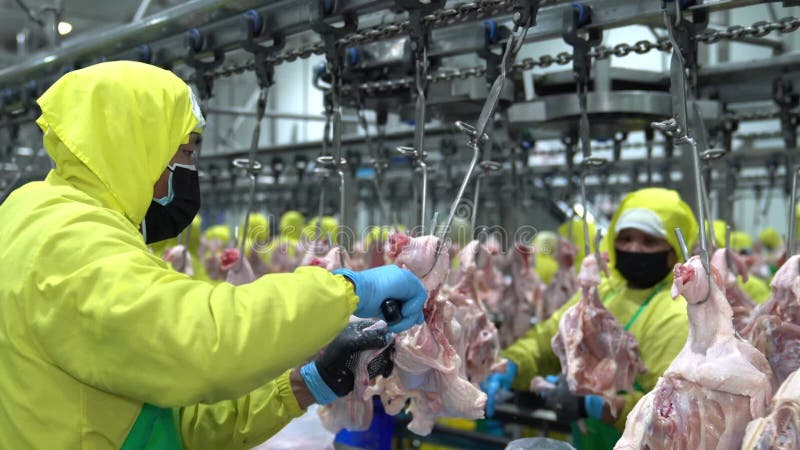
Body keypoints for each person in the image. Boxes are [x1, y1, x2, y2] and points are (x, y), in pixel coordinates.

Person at [0, 61, 428, 449]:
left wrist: (304, 385)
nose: (189, 174)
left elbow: (167, 421)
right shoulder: (63, 239)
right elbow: (200, 343)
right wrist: (345, 290)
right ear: (135, 146)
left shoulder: (47, 220)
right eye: (184, 154)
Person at [485, 188, 698, 450]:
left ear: (673, 250)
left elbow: (673, 410)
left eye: (649, 241)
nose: (633, 248)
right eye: (626, 238)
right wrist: (513, 364)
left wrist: (596, 405)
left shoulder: (680, 311)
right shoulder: (603, 291)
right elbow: (549, 337)